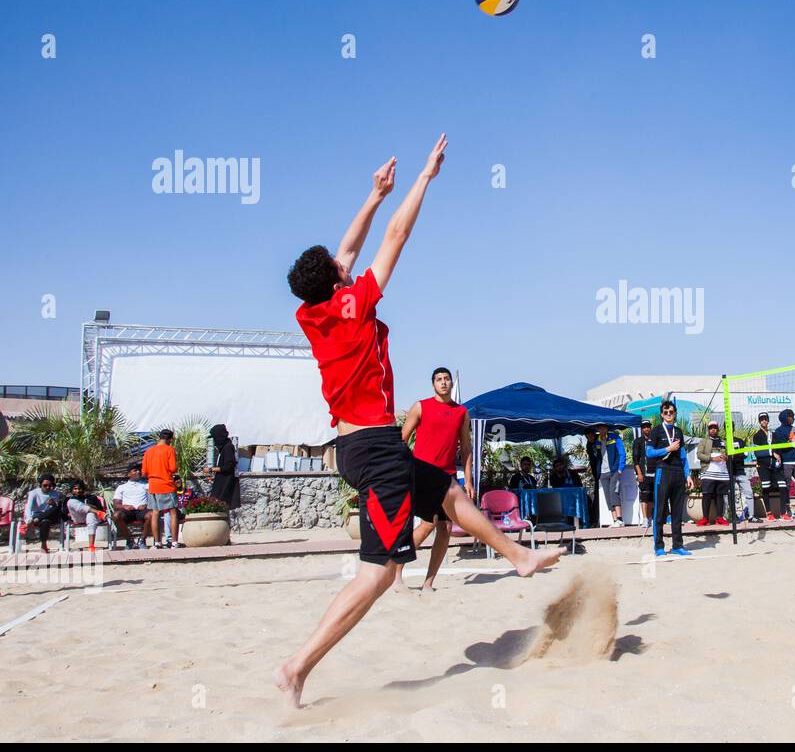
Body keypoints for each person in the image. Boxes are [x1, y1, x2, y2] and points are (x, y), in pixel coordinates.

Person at [275, 134, 559, 709]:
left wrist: (374, 194)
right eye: (337, 266)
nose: (343, 261)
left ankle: (519, 558)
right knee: (377, 574)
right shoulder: (354, 307)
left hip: (368, 447)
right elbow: (394, 240)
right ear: (335, 281)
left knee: (448, 491)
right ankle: (297, 667)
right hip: (375, 452)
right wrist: (422, 180)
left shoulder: (314, 310)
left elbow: (348, 251)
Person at [398, 366, 473, 592]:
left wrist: (468, 481)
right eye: (439, 379)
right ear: (433, 384)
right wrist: (403, 469)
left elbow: (466, 448)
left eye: (446, 379)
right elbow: (402, 439)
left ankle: (428, 582)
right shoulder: (421, 406)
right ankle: (396, 575)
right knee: (428, 524)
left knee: (445, 528)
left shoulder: (461, 412)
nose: (443, 382)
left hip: (447, 476)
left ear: (451, 383)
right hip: (421, 473)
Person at [646, 400, 692, 556]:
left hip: (678, 473)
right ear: (661, 414)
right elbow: (649, 453)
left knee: (678, 512)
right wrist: (667, 449)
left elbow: (683, 455)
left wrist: (688, 474)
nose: (668, 415)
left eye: (671, 412)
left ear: (675, 414)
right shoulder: (656, 431)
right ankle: (659, 546)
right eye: (665, 412)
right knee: (660, 511)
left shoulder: (678, 431)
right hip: (663, 472)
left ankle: (678, 545)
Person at [141, 429, 180, 548]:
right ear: (170, 439)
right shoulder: (169, 449)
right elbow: (173, 468)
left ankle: (157, 543)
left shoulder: (149, 451)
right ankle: (174, 542)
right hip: (166, 484)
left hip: (153, 485)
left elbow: (144, 472)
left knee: (155, 513)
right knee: (173, 512)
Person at [752, 412, 788, 521]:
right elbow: (758, 453)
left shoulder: (773, 434)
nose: (764, 421)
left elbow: (779, 449)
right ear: (759, 421)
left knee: (783, 486)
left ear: (768, 420)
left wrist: (779, 456)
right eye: (762, 419)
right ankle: (769, 513)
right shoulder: (757, 435)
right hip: (763, 466)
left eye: (765, 419)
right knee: (766, 488)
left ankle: (783, 512)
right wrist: (772, 453)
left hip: (775, 466)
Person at [695, 420, 731, 526]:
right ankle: (705, 518)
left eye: (715, 427)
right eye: (711, 428)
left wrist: (726, 457)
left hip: (722, 472)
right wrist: (712, 458)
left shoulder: (723, 441)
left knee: (720, 495)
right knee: (707, 494)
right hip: (708, 471)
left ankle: (719, 517)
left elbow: (729, 455)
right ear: (708, 430)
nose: (713, 429)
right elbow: (699, 454)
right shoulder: (704, 441)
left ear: (718, 429)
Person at [773, 409, 795, 517]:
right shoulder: (778, 431)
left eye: (793, 416)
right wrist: (791, 442)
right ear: (785, 417)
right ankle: (787, 510)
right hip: (786, 461)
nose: (793, 418)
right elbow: (782, 445)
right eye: (791, 416)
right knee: (786, 486)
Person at [112, 464, 152, 549]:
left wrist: (146, 505)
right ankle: (130, 540)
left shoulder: (146, 485)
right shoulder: (122, 487)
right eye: (135, 470)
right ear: (129, 474)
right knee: (116, 516)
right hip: (128, 512)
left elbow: (153, 500)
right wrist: (124, 506)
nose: (138, 472)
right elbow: (116, 504)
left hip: (142, 511)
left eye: (139, 470)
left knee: (152, 515)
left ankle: (142, 540)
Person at [24, 473, 66, 553]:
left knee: (56, 507)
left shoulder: (55, 493)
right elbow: (28, 507)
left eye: (50, 486)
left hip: (50, 516)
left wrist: (53, 504)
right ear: (40, 484)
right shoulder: (34, 493)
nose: (48, 487)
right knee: (45, 522)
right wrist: (29, 519)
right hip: (37, 517)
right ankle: (43, 545)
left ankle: (38, 519)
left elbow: (56, 509)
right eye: (45, 485)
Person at [205, 424, 242, 515]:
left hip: (225, 484)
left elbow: (229, 466)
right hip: (222, 482)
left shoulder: (228, 447)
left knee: (220, 508)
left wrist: (211, 469)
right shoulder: (224, 448)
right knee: (220, 508)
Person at [594, 424, 626, 527]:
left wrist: (620, 468)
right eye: (600, 427)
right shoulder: (597, 441)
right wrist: (597, 472)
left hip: (614, 471)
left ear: (607, 428)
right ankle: (615, 521)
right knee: (608, 497)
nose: (602, 429)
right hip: (603, 473)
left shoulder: (614, 437)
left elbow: (622, 453)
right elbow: (596, 457)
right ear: (598, 429)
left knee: (614, 493)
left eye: (604, 427)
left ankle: (620, 519)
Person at [66, 480, 109, 551]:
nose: (78, 491)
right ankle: (97, 512)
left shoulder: (91, 497)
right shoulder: (70, 499)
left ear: (83, 489)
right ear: (72, 490)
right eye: (75, 489)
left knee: (91, 515)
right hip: (78, 518)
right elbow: (65, 512)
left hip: (93, 518)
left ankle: (91, 546)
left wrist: (89, 506)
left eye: (80, 488)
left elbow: (100, 508)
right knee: (71, 502)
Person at [632, 420, 654, 525]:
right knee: (644, 496)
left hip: (654, 472)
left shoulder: (654, 440)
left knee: (651, 497)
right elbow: (635, 459)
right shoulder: (637, 441)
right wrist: (639, 473)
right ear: (641, 429)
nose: (646, 429)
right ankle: (644, 518)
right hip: (643, 473)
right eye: (644, 427)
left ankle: (650, 517)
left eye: (648, 427)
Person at [729, 428, 753, 521]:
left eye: (731, 427)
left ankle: (751, 516)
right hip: (729, 472)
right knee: (730, 495)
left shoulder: (740, 441)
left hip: (740, 471)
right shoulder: (723, 442)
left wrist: (736, 454)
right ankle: (732, 516)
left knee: (749, 492)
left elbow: (745, 454)